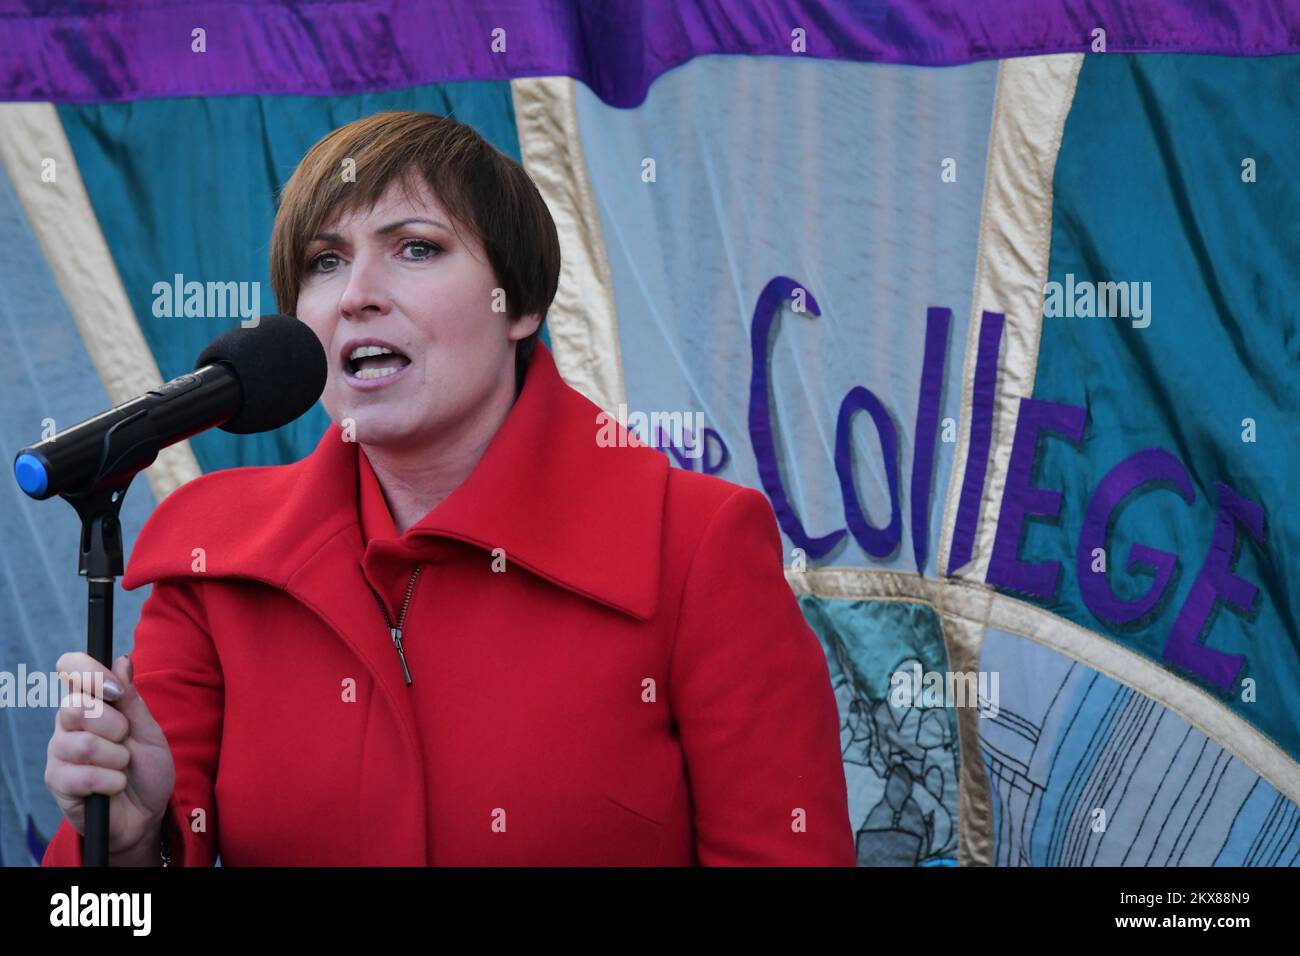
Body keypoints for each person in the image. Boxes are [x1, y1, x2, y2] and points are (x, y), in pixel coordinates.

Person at [41, 111, 854, 866]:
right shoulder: (211, 555)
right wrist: (129, 846)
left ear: (521, 304)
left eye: (416, 247)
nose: (357, 293)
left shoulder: (695, 544)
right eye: (325, 263)